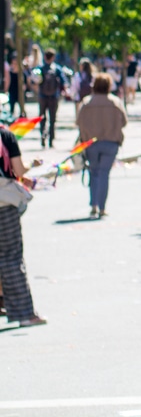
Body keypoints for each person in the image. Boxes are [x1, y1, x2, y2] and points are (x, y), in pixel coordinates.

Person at [0, 125, 45, 327]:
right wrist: (30, 165)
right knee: (10, 257)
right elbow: (18, 170)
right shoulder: (4, 135)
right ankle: (24, 314)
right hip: (3, 204)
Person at [74, 73, 127, 219]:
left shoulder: (87, 103)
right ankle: (102, 208)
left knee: (94, 173)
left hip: (91, 143)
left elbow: (78, 122)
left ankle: (94, 206)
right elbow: (124, 122)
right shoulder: (115, 102)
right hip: (111, 142)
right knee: (104, 174)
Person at [36, 49, 68, 148]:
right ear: (53, 57)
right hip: (54, 97)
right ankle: (51, 140)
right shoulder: (57, 69)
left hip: (42, 96)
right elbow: (64, 82)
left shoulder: (40, 68)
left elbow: (34, 80)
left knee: (42, 118)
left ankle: (43, 135)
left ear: (45, 56)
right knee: (52, 119)